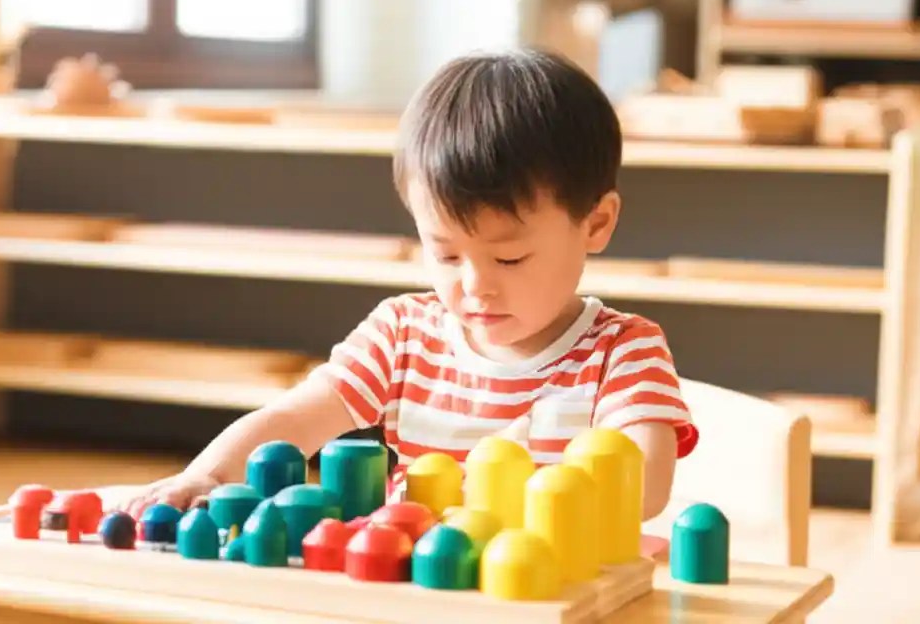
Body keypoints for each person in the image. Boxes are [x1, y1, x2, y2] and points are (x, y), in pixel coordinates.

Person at [119, 49, 699, 522]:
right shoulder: (403, 334)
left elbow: (645, 487)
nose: (475, 286)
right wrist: (206, 475)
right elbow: (294, 419)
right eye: (444, 253)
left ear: (595, 224)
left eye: (511, 258)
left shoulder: (622, 353)